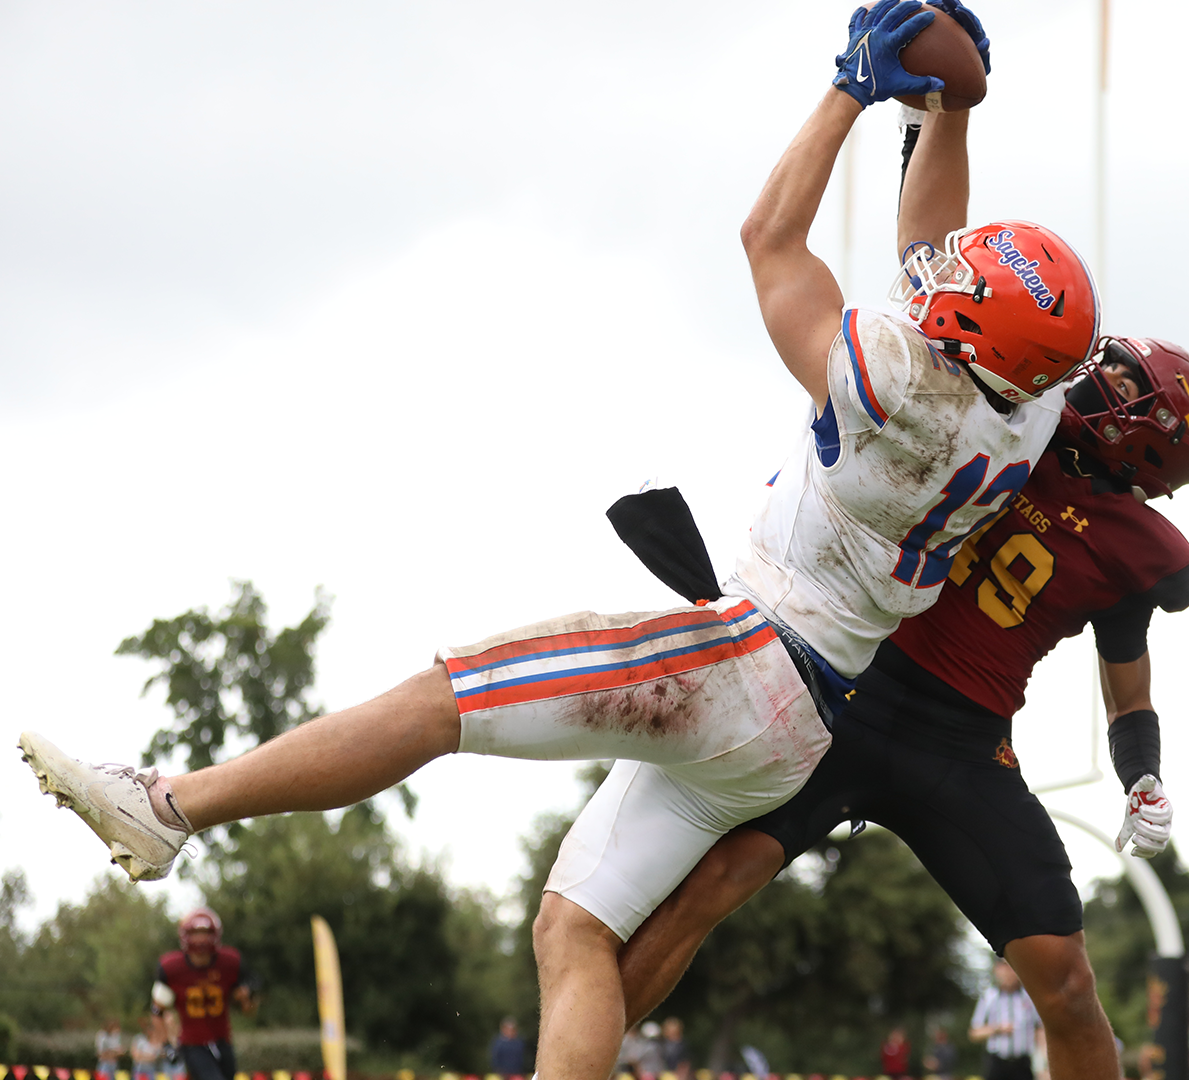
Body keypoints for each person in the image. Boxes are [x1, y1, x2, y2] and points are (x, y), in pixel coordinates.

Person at [19, 4, 1100, 1077]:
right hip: (802, 721)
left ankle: (168, 806)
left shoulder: (888, 382)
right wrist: (950, 111)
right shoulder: (1027, 406)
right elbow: (932, 250)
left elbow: (770, 238)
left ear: (962, 333)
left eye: (962, 290)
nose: (943, 277)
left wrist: (851, 89)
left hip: (744, 663)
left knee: (442, 700)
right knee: (573, 935)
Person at [600, 20, 1189, 1080]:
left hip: (959, 741)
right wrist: (937, 125)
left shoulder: (1141, 547)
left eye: (1119, 390)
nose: (1092, 376)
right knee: (701, 894)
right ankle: (583, 1058)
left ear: (1144, 449)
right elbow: (939, 273)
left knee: (1065, 981)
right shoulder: (1013, 404)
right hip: (845, 681)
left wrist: (1145, 771)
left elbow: (1127, 677)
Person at [152, 908, 257, 1080]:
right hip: (192, 1044)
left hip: (223, 1041)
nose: (201, 939)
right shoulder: (172, 968)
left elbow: (249, 1010)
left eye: (205, 933)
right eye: (196, 933)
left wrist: (246, 999)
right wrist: (166, 1045)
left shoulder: (230, 962)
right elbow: (157, 1011)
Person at [971, 961, 1042, 1080]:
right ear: (996, 970)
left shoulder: (1029, 997)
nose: (1008, 972)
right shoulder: (988, 996)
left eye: (1012, 967)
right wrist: (996, 1029)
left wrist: (1043, 1063)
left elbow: (1040, 1029)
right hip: (997, 1064)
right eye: (1004, 967)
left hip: (1023, 1064)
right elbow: (974, 1033)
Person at [131, 1012, 163, 1080]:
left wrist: (143, 1056)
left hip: (151, 1070)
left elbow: (156, 1057)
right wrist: (149, 1057)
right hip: (139, 1069)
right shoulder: (138, 1039)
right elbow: (136, 1056)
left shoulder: (157, 1041)